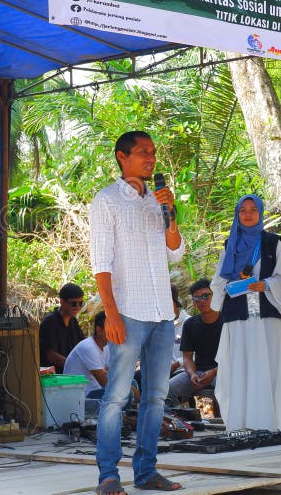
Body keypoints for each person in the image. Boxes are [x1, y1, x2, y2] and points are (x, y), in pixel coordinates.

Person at [89, 130, 185, 494]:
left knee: (157, 397)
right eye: (143, 152)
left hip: (162, 312)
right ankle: (109, 477)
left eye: (153, 153)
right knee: (117, 396)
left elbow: (176, 252)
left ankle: (146, 473)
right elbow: (101, 264)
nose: (151, 158)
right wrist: (110, 315)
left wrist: (170, 215)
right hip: (128, 312)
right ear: (121, 156)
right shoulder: (107, 201)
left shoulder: (157, 201)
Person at [211, 195, 281, 432]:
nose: (248, 215)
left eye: (253, 210)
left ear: (260, 213)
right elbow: (219, 280)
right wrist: (227, 290)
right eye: (243, 211)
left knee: (268, 367)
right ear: (237, 215)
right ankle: (240, 423)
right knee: (240, 368)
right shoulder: (230, 245)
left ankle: (268, 424)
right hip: (239, 319)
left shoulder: (271, 242)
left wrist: (265, 284)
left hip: (266, 318)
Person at [166, 278, 223, 407]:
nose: (201, 301)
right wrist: (192, 374)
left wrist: (214, 372)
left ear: (214, 295)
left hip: (223, 372)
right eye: (196, 298)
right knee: (167, 390)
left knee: (232, 388)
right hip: (197, 372)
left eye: (205, 296)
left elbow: (235, 358)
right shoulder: (190, 324)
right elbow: (187, 357)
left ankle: (230, 425)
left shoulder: (227, 322)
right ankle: (181, 423)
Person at [39, 283, 86, 373]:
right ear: (62, 301)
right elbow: (51, 355)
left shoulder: (73, 321)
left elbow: (82, 345)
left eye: (81, 303)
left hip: (70, 373)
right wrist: (75, 366)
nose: (78, 307)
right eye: (74, 304)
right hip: (53, 376)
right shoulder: (50, 322)